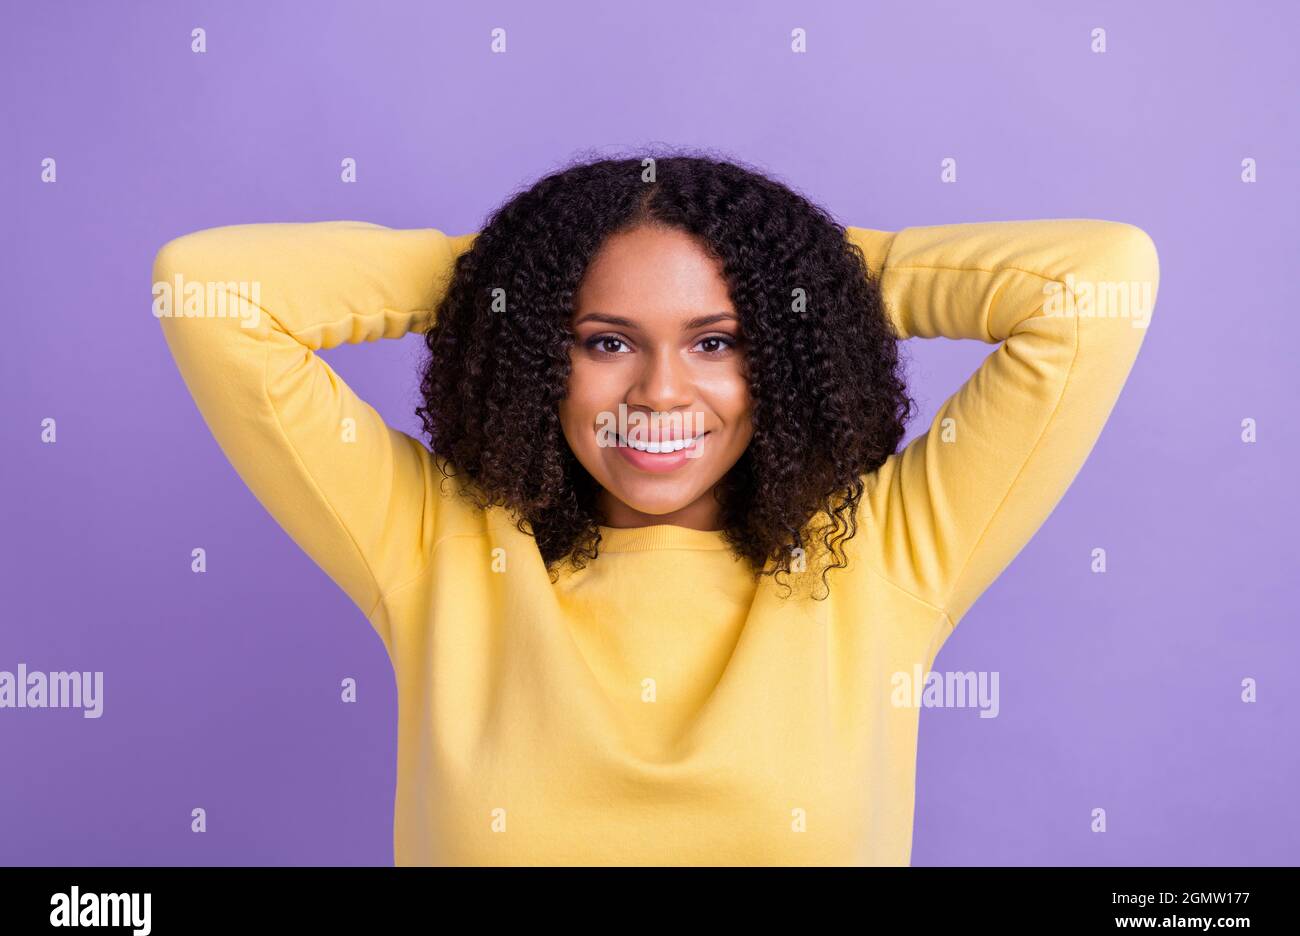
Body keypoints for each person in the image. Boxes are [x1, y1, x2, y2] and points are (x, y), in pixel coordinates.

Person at [152, 152, 1159, 865]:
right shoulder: (436, 546)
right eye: (605, 339)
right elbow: (206, 292)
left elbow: (1095, 283)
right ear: (541, 351)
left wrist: (806, 268)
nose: (662, 391)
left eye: (716, 339)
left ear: (778, 354)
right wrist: (515, 266)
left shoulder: (884, 554)